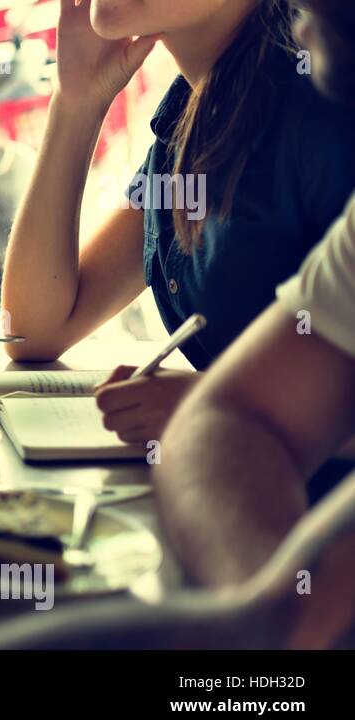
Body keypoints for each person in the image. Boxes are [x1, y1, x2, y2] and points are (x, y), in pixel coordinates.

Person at [0, 0, 355, 445]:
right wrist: (77, 103)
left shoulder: (325, 102)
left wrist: (213, 405)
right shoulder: (192, 118)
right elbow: (31, 330)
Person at [152, 0, 355, 639]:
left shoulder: (314, 124)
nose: (296, 18)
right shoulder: (188, 126)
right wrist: (286, 627)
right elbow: (230, 419)